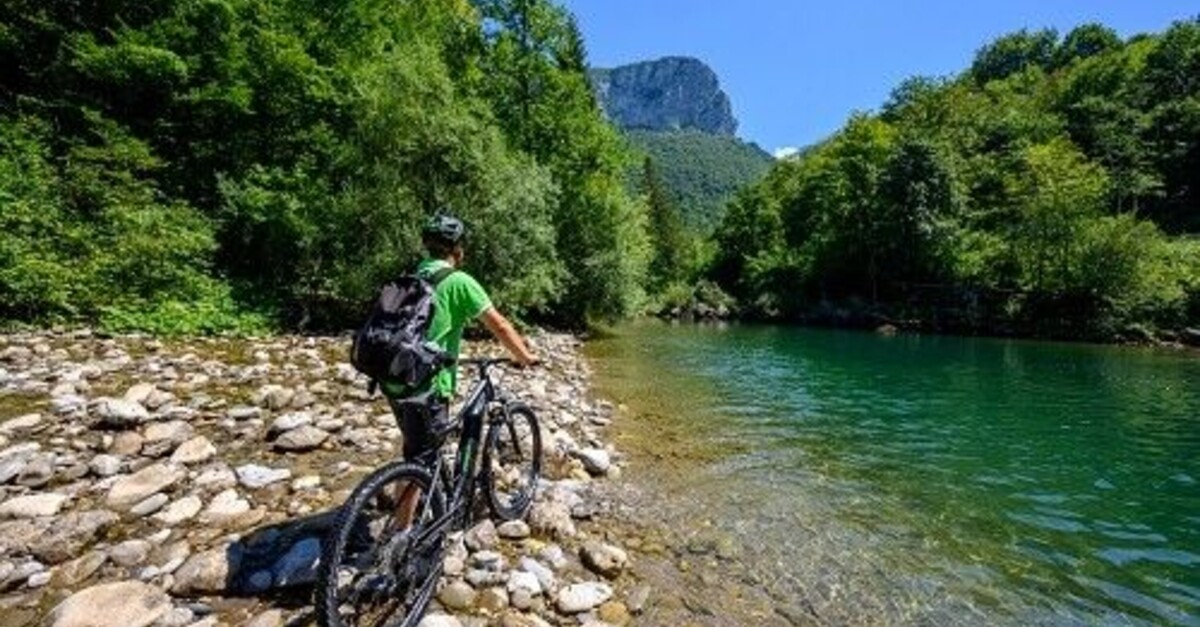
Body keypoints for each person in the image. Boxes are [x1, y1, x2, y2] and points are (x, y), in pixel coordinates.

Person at [383, 212, 539, 524]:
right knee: (421, 460)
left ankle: (416, 508)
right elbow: (501, 326)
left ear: (428, 247)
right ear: (458, 250)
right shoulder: (459, 282)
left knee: (414, 449)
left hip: (394, 377)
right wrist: (525, 356)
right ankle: (402, 538)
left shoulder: (414, 277)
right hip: (428, 383)